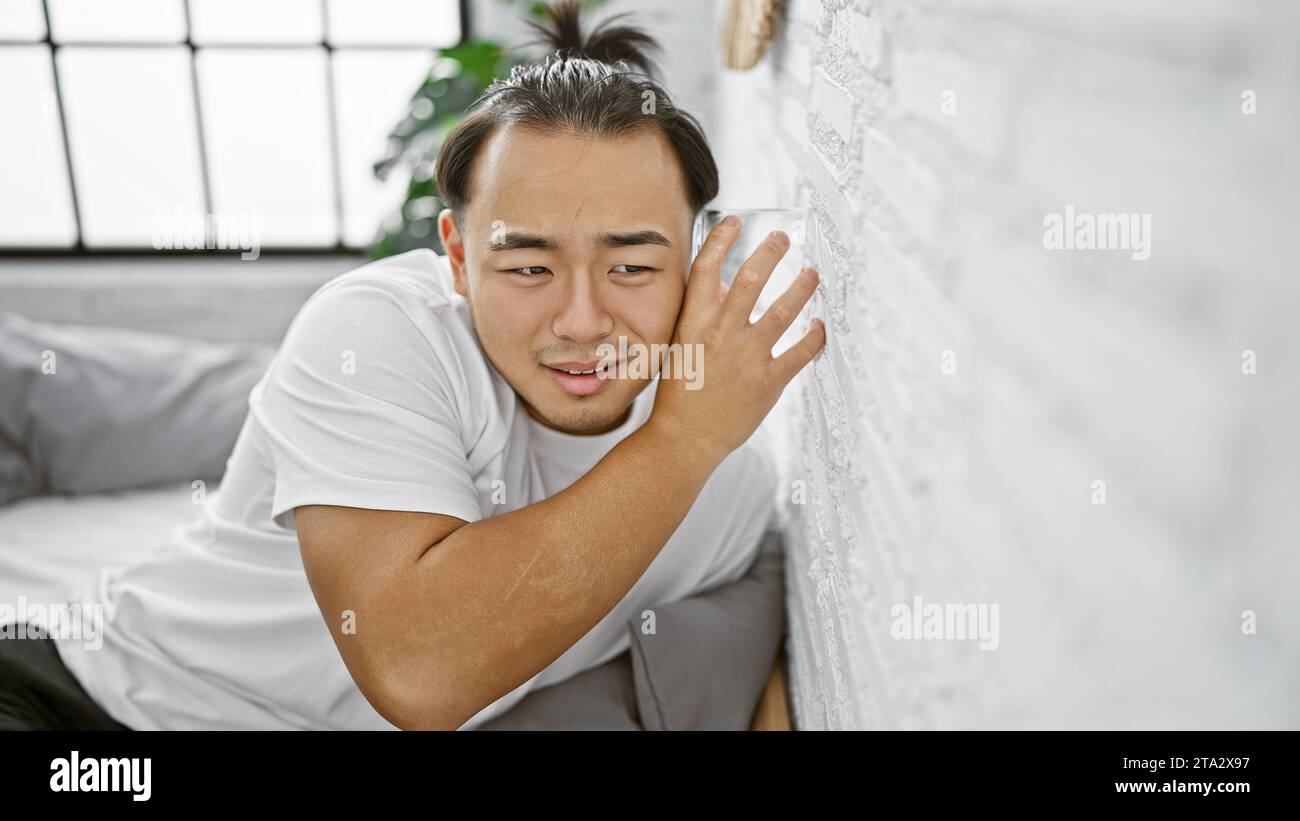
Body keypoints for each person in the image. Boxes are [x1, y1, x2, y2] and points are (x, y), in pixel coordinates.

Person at [6, 0, 824, 730]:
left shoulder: (730, 503)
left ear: (698, 257)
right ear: (460, 259)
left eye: (632, 268)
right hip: (86, 702)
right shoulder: (378, 332)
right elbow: (418, 669)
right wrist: (682, 439)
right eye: (530, 268)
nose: (582, 321)